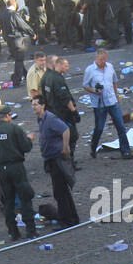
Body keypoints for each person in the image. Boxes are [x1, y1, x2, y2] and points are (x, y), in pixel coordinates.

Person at [0, 104, 37, 242]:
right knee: (25, 197)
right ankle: (30, 230)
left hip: (1, 170)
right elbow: (25, 147)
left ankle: (13, 232)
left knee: (8, 201)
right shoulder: (14, 129)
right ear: (8, 115)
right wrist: (30, 138)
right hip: (16, 167)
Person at [32, 94, 79, 227]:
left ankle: (67, 221)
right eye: (32, 105)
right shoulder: (40, 119)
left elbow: (65, 129)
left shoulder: (50, 118)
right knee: (62, 191)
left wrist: (65, 147)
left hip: (57, 158)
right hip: (51, 159)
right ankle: (72, 217)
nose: (34, 107)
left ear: (43, 105)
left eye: (36, 104)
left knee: (60, 192)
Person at [82, 49, 133, 158]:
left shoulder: (110, 67)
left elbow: (114, 81)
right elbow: (85, 85)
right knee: (99, 128)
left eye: (105, 59)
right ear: (96, 58)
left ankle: (125, 151)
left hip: (112, 101)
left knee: (120, 126)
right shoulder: (90, 70)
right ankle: (93, 146)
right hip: (99, 103)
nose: (103, 62)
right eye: (101, 59)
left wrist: (117, 95)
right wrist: (95, 91)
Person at [41, 56, 80, 163]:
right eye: (66, 65)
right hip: (63, 113)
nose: (67, 68)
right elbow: (64, 97)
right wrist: (74, 111)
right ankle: (69, 160)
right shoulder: (57, 78)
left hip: (53, 112)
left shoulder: (47, 77)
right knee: (71, 136)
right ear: (58, 64)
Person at [0, 0, 33, 87]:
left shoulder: (3, 14)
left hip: (9, 39)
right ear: (15, 4)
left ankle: (26, 75)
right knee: (19, 59)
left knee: (18, 58)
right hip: (17, 39)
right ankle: (16, 80)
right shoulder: (13, 14)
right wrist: (32, 32)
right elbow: (22, 25)